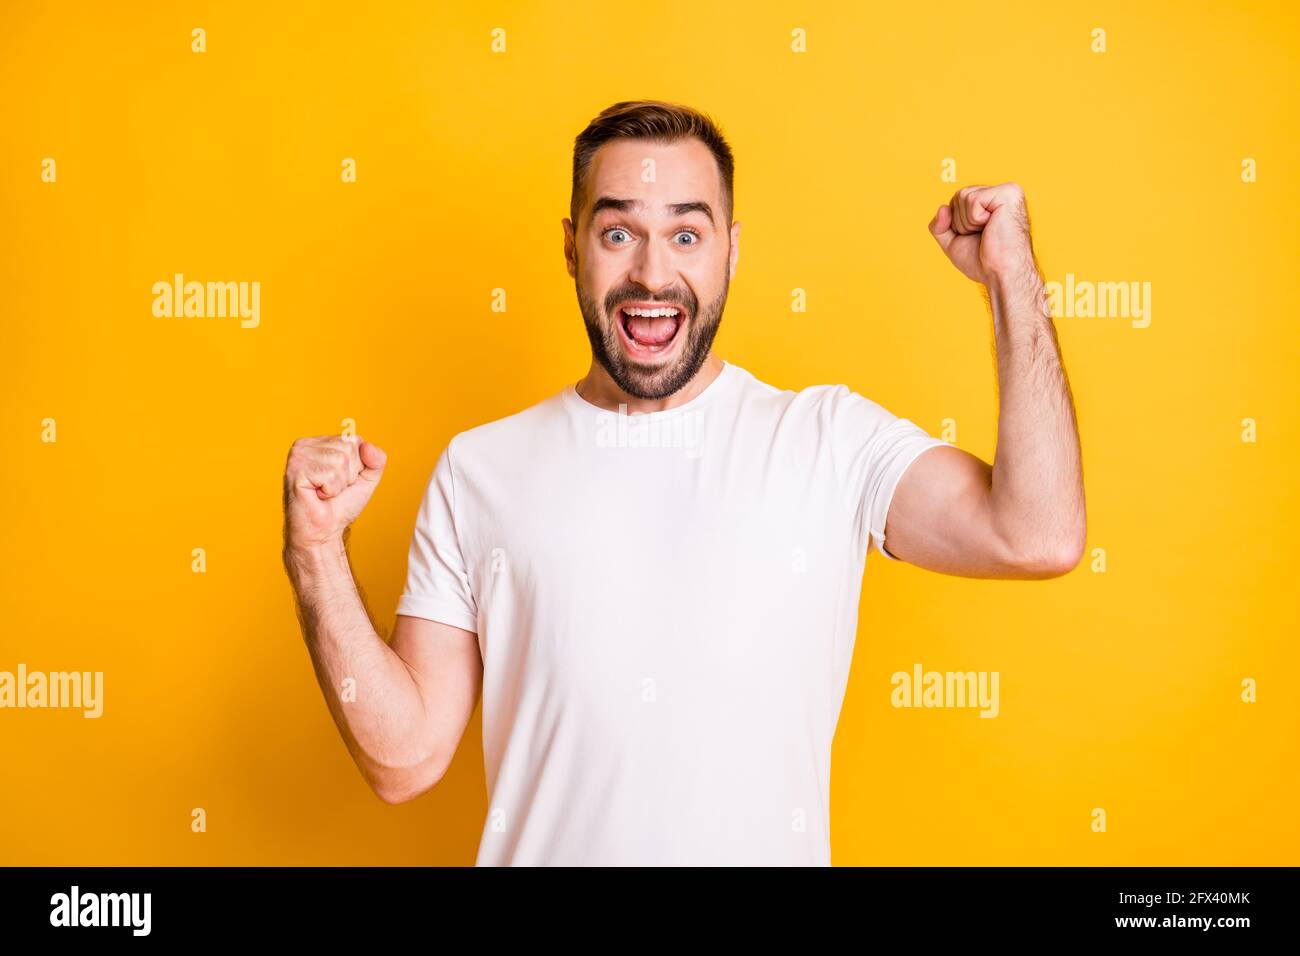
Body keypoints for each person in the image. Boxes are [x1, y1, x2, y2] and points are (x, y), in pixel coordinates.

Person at [281, 100, 1085, 865]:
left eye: (687, 235)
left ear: (733, 248)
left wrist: (1011, 278)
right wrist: (316, 552)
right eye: (620, 230)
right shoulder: (479, 469)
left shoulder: (828, 441)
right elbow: (405, 759)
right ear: (571, 247)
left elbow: (1037, 534)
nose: (653, 273)